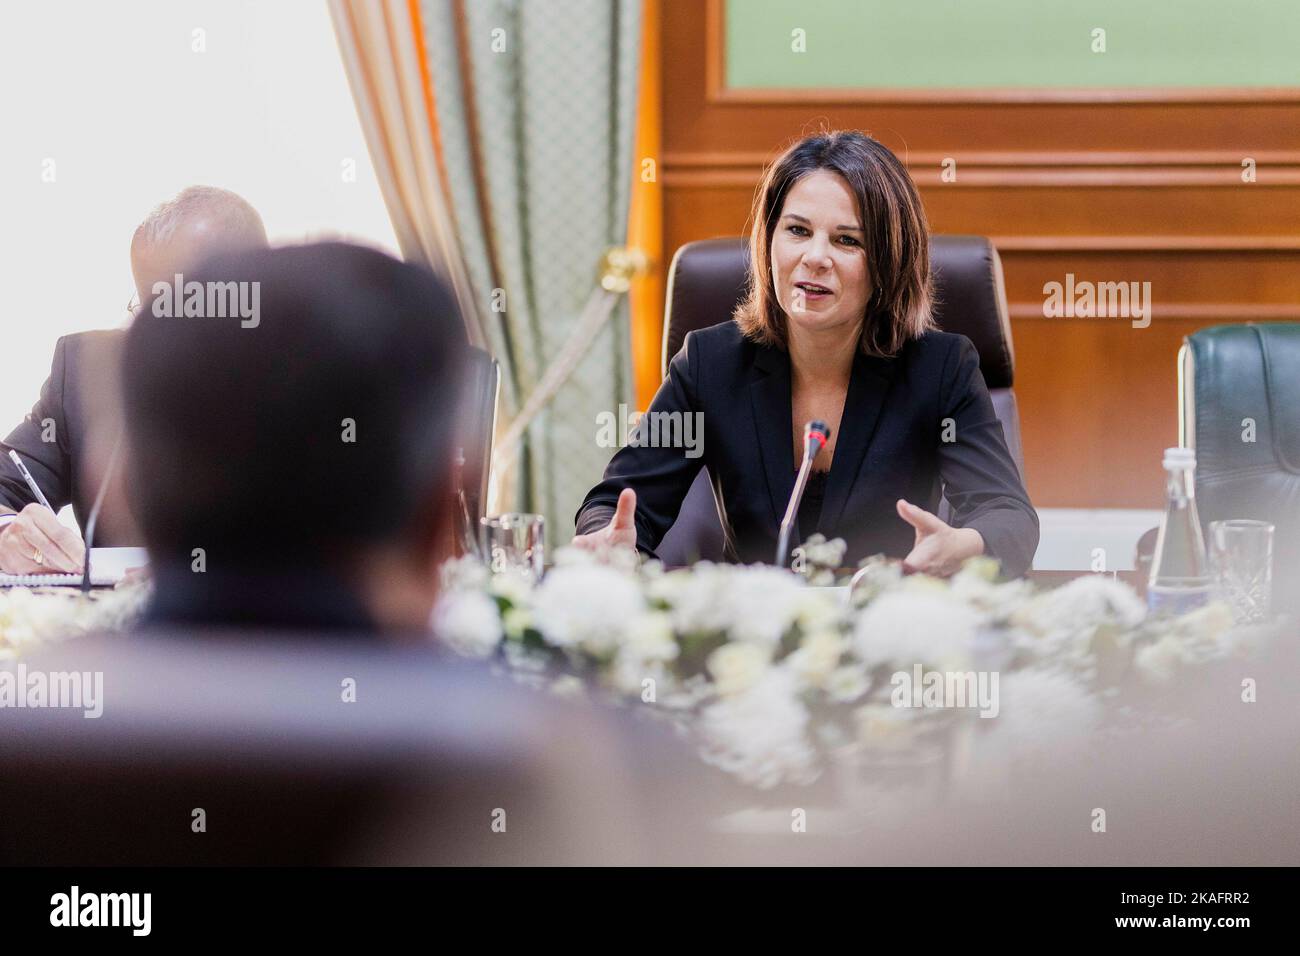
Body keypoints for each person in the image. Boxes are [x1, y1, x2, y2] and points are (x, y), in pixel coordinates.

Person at [574, 130, 1039, 577]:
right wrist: (612, 541)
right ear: (768, 242)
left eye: (847, 240)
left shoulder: (940, 369)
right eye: (797, 230)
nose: (816, 257)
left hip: (883, 633)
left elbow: (1008, 515)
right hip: (753, 637)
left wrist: (967, 544)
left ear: (889, 262)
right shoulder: (709, 363)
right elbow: (616, 503)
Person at [0, 185, 268, 573]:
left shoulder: (324, 376)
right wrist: (8, 532)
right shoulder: (85, 373)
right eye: (149, 307)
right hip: (120, 624)